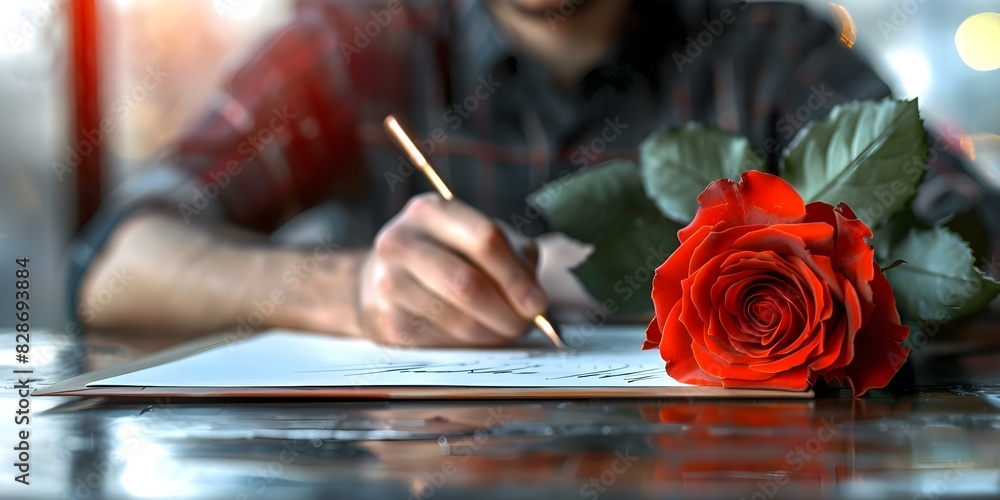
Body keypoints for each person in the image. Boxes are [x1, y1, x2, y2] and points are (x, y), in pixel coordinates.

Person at [68, 0, 986, 347]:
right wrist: (346, 292)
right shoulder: (355, 41)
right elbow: (110, 266)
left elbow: (977, 255)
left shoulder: (764, 48)